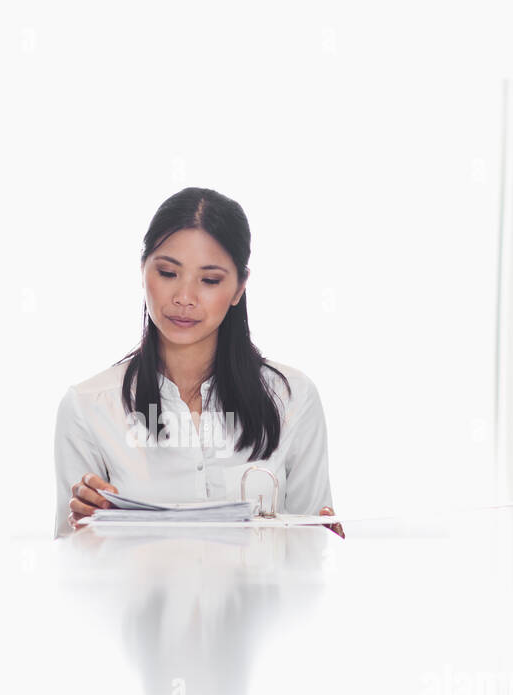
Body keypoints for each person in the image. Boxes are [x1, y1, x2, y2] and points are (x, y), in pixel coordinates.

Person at [53, 186, 341, 540]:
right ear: (143, 271)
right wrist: (90, 534)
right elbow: (73, 575)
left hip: (260, 597)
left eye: (209, 280)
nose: (184, 298)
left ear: (239, 288)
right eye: (168, 273)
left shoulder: (293, 399)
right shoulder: (88, 408)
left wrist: (326, 546)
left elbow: (311, 554)